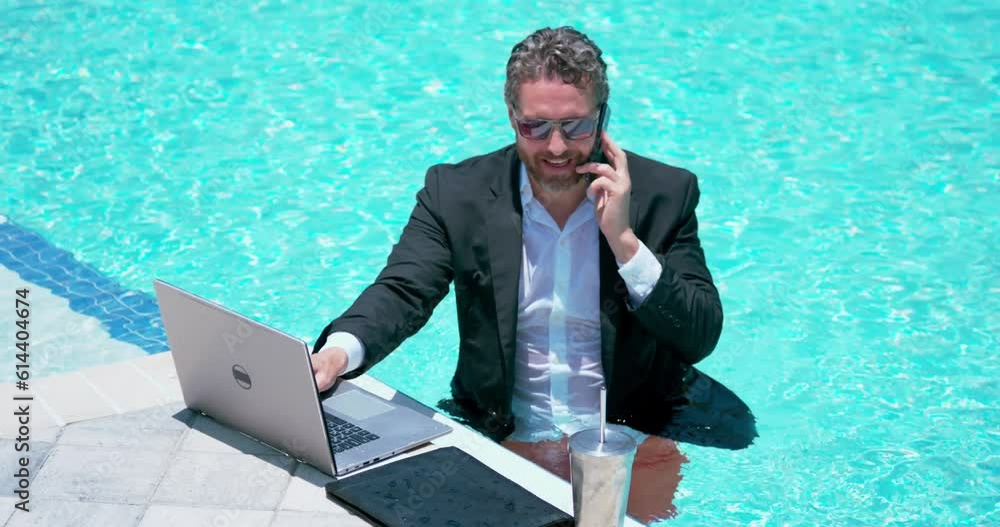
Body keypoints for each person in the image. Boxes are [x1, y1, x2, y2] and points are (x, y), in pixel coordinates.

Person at [311, 26, 757, 521]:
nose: (558, 147)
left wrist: (624, 240)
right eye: (536, 127)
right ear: (511, 119)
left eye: (576, 126)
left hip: (629, 435)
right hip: (507, 430)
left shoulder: (662, 195)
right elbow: (403, 289)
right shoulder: (456, 193)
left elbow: (698, 335)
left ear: (602, 117)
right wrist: (336, 353)